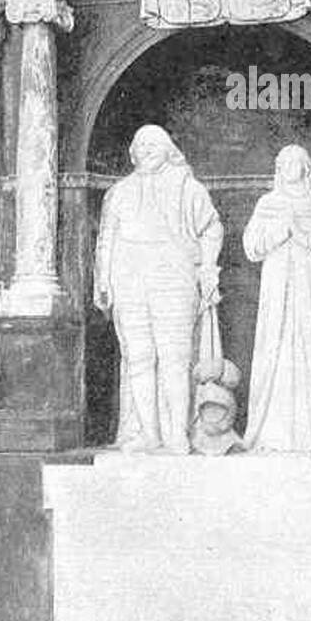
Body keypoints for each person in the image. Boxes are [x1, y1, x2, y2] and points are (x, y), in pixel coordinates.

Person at [94, 125, 222, 453]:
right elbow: (106, 240)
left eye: (154, 144)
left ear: (168, 149)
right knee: (138, 357)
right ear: (132, 153)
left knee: (174, 358)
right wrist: (103, 280)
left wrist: (207, 268)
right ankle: (150, 434)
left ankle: (176, 433)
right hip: (129, 280)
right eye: (141, 144)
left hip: (173, 278)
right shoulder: (119, 192)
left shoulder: (187, 187)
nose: (147, 149)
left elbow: (211, 228)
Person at [243, 146, 311, 453]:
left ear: (307, 167)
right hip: (278, 288)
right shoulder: (268, 204)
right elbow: (252, 247)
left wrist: (302, 234)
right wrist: (280, 231)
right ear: (278, 168)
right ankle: (272, 432)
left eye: (297, 161)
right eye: (284, 162)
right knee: (277, 349)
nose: (291, 166)